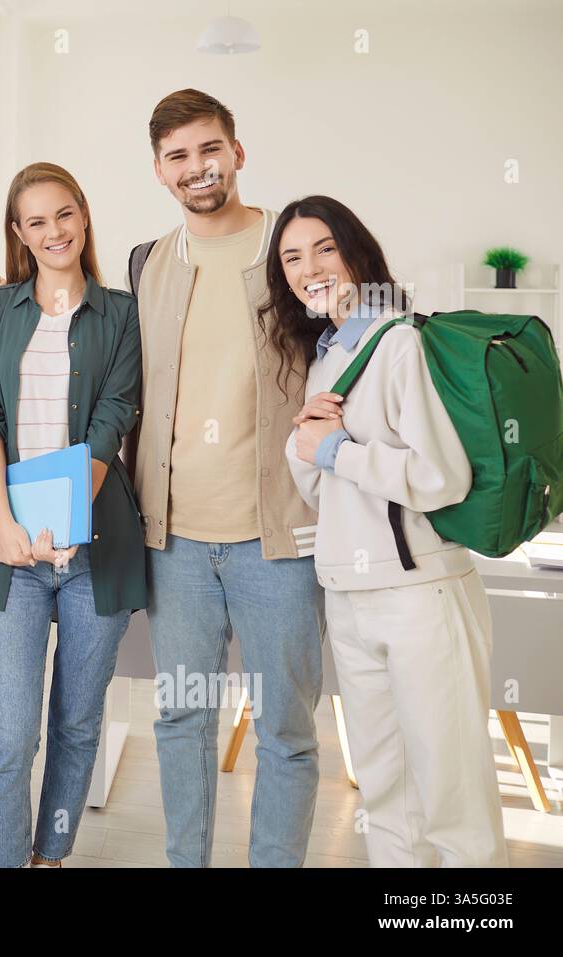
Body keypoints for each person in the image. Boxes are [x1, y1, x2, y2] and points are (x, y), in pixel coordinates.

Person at [275, 195, 508, 867]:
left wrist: (335, 447)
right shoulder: (323, 357)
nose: (309, 268)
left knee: (453, 797)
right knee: (385, 794)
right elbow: (324, 490)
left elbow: (441, 477)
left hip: (421, 593)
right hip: (347, 596)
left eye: (323, 248)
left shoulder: (402, 341)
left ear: (356, 253)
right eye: (292, 257)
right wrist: (306, 443)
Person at [129, 89, 325, 867]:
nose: (197, 167)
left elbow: (368, 328)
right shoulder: (148, 262)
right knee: (181, 719)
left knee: (285, 728)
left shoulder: (295, 247)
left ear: (237, 153)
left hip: (278, 539)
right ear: (159, 171)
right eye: (178, 156)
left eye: (209, 149)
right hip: (174, 542)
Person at [0, 162, 145, 868]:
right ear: (18, 233)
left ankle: (51, 854)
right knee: (10, 731)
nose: (54, 230)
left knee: (76, 720)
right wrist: (4, 522)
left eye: (64, 214)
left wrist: (66, 519)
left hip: (97, 543)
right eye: (36, 221)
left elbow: (111, 421)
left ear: (84, 217)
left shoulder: (122, 313)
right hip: (11, 552)